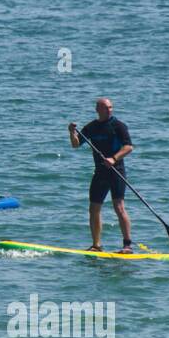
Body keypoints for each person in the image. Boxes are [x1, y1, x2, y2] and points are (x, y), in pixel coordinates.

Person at [68, 98, 133, 252]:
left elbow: (129, 147)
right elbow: (76, 144)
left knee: (119, 207)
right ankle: (96, 245)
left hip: (116, 171)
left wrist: (114, 158)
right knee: (94, 208)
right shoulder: (92, 127)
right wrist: (71, 132)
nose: (110, 110)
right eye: (106, 108)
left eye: (111, 107)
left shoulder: (118, 126)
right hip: (100, 173)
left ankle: (127, 245)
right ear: (98, 109)